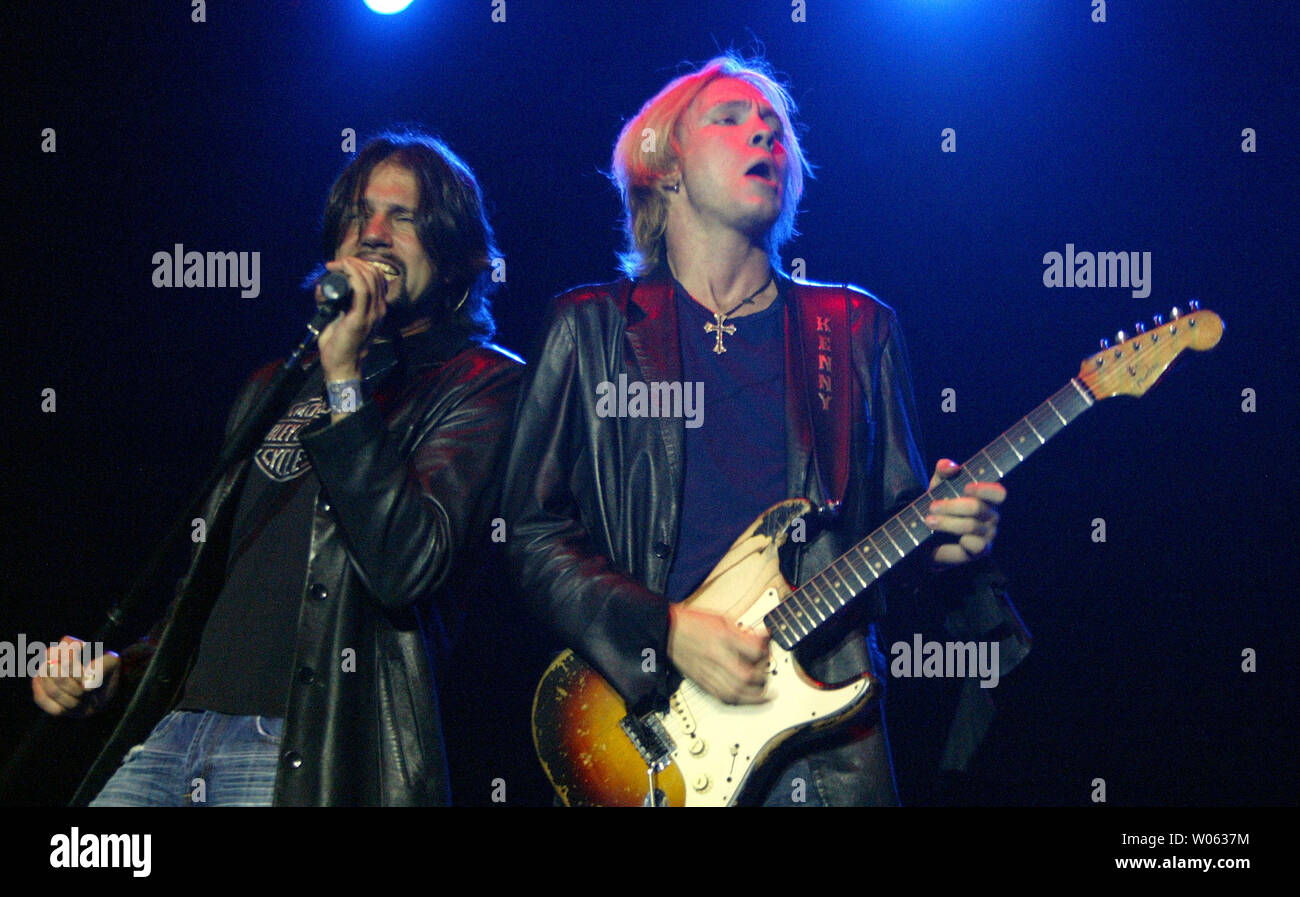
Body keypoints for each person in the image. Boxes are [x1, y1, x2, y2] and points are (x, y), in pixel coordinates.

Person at [503, 56, 1029, 806]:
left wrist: (947, 539)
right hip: (649, 734)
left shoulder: (854, 328)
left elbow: (894, 540)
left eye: (775, 127)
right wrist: (664, 630)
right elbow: (527, 533)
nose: (765, 133)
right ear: (666, 166)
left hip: (828, 752)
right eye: (731, 118)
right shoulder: (589, 329)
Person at [32, 131, 523, 806]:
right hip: (173, 734)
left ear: (456, 252)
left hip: (296, 750)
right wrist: (122, 668)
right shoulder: (276, 381)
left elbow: (406, 562)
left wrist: (346, 378)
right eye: (358, 215)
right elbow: (214, 581)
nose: (373, 233)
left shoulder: (480, 382)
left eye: (403, 217)